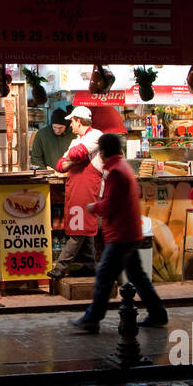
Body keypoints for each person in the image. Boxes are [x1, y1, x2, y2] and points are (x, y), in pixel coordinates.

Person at [69, 132, 168, 333]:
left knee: (105, 277)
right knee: (138, 277)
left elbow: (112, 204)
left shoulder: (115, 172)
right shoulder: (123, 168)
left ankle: (92, 319)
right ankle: (158, 314)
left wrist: (94, 207)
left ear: (103, 152)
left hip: (121, 234)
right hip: (130, 231)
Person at [49, 106, 104, 280]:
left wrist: (70, 161)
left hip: (88, 189)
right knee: (83, 228)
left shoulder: (96, 135)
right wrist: (70, 160)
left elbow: (76, 154)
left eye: (72, 121)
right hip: (76, 188)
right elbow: (60, 164)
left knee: (79, 229)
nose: (70, 125)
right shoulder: (76, 139)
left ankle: (60, 267)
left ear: (79, 121)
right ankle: (90, 266)